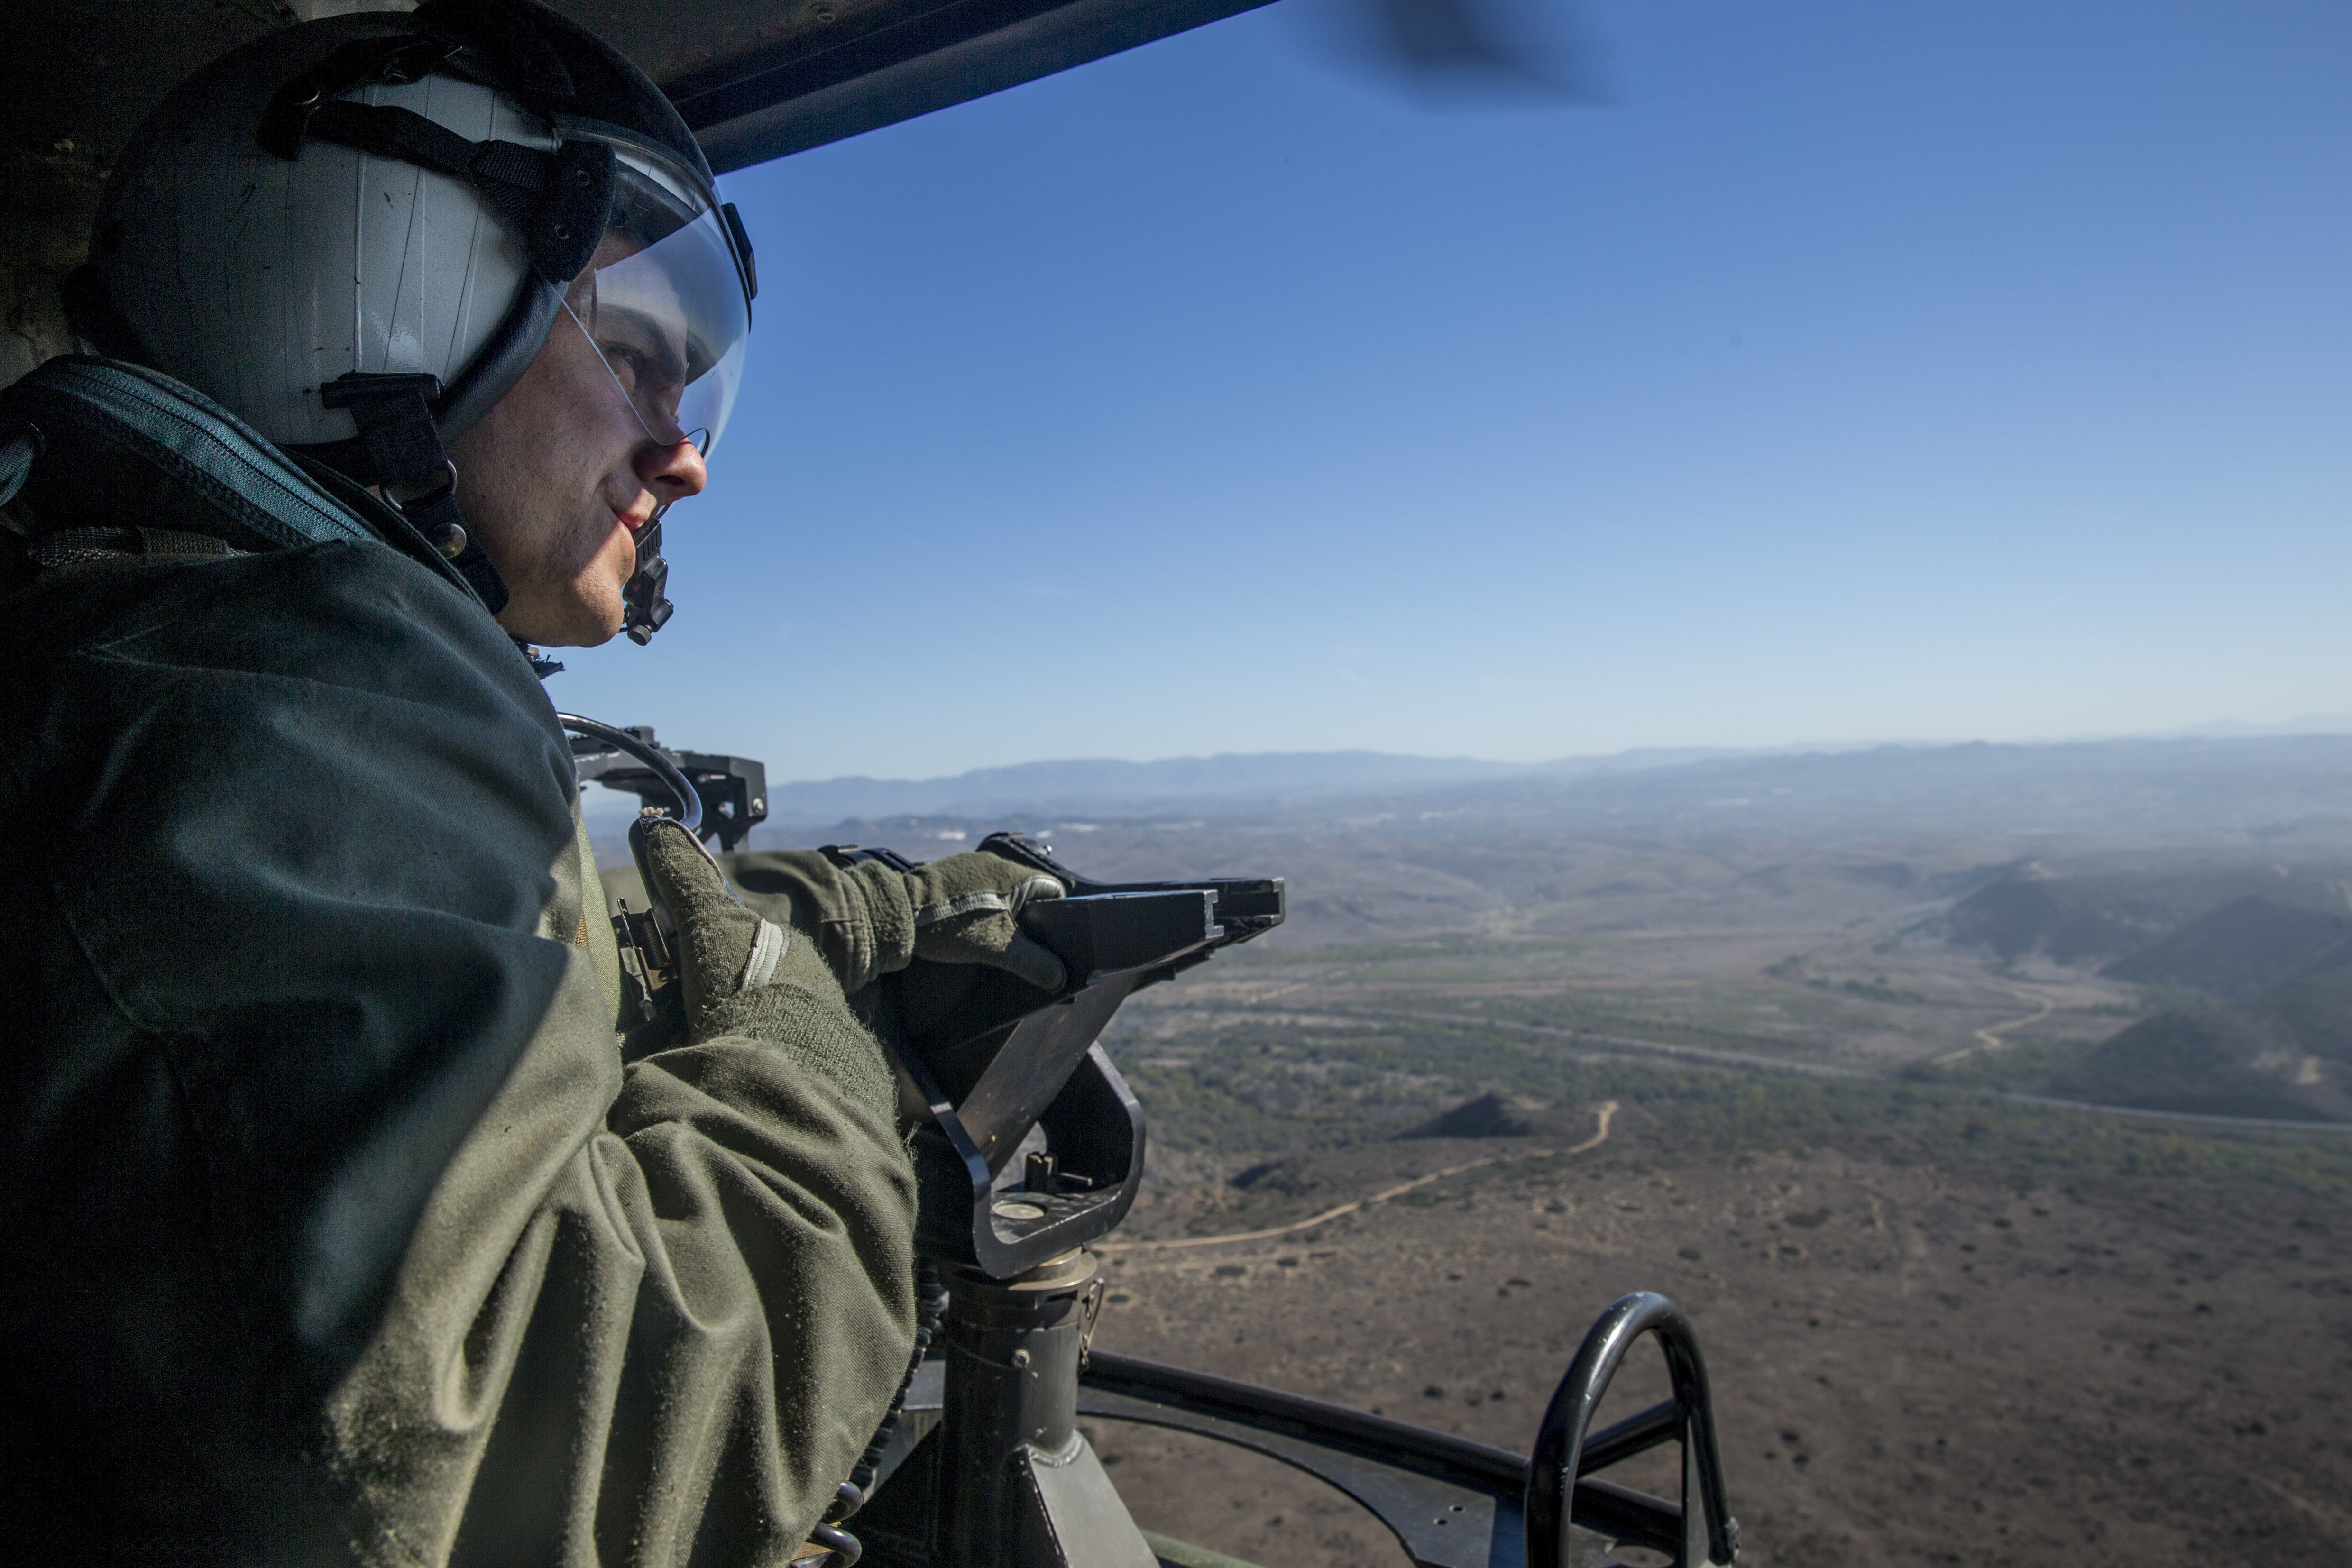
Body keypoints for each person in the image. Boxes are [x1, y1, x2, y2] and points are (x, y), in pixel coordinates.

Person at [0, 1, 1065, 1560]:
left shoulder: (157, 672)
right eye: (632, 357)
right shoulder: (286, 696)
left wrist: (800, 915)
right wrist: (800, 1034)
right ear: (366, 299)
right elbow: (568, 1442)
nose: (683, 454)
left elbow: (366, 1028)